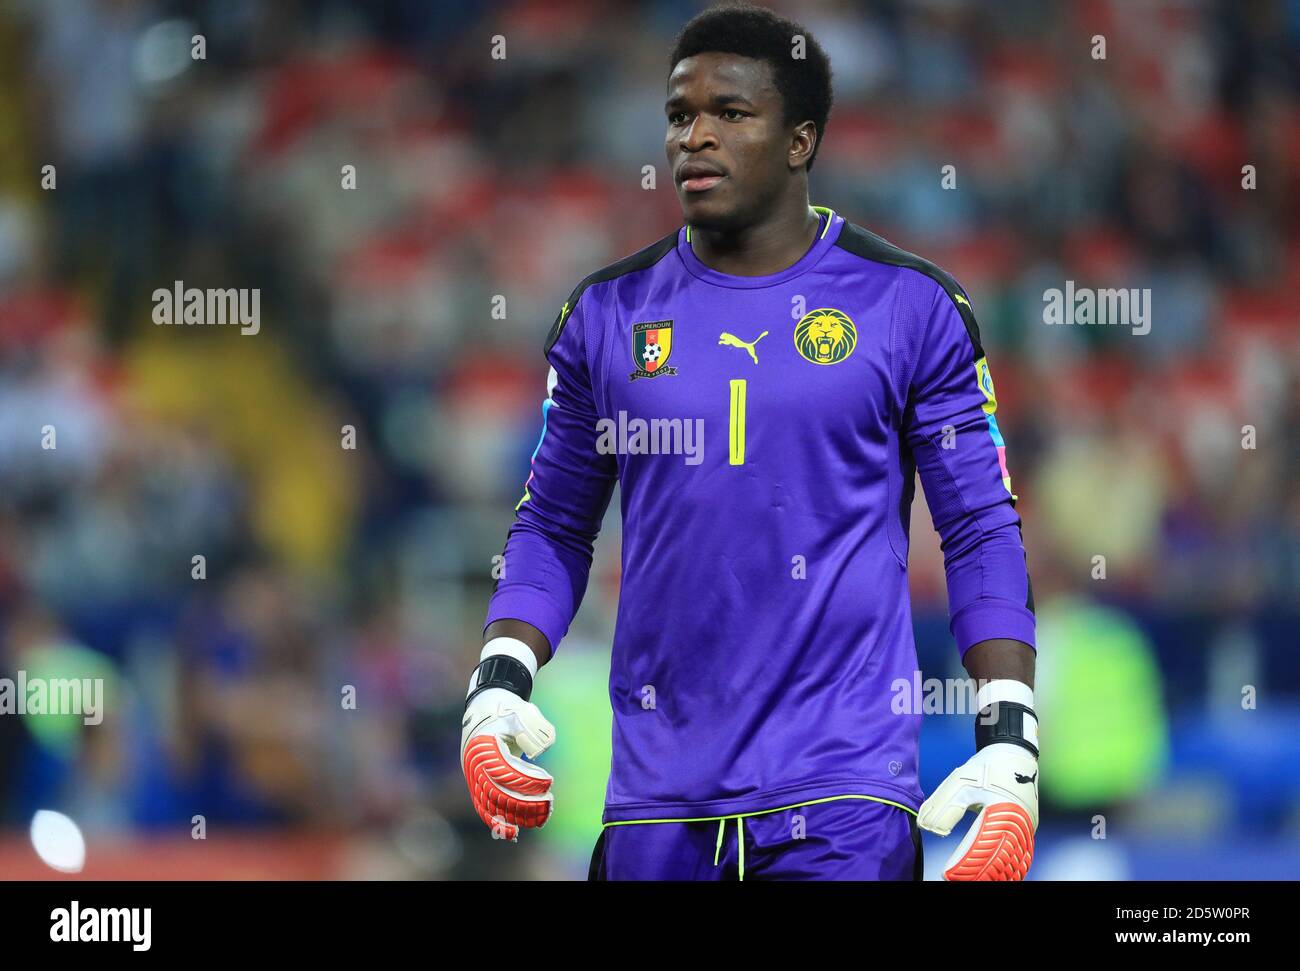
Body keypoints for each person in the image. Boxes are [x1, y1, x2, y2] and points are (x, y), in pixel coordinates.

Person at [461, 4, 1039, 881]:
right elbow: (552, 523)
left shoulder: (909, 306)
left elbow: (981, 527)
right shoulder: (606, 315)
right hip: (657, 795)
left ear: (800, 140)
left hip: (845, 788)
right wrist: (498, 678)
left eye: (731, 114)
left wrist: (1011, 740)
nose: (695, 137)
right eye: (679, 114)